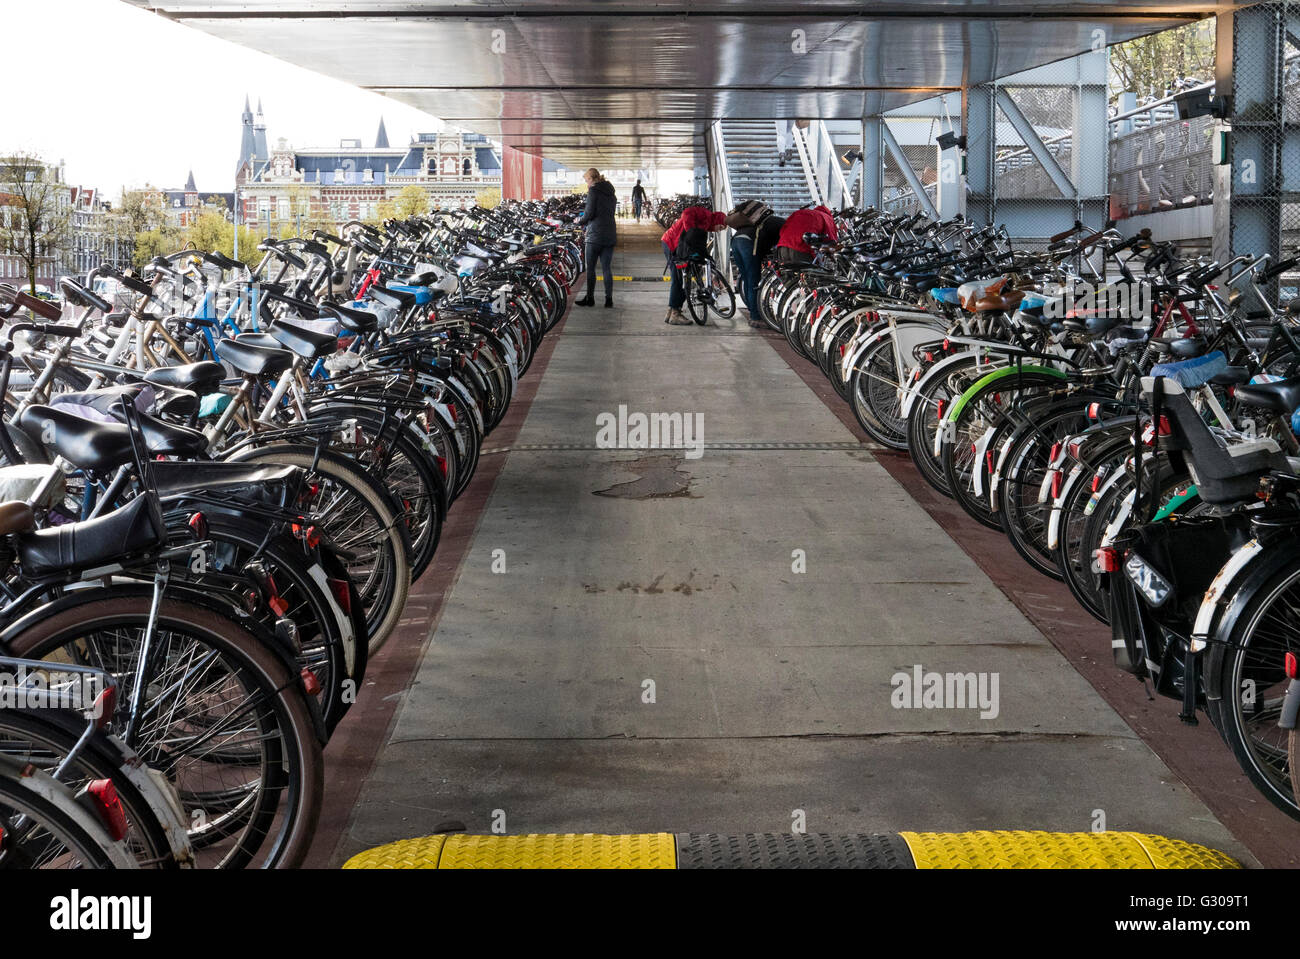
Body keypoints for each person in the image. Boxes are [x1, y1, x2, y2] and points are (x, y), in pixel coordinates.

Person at [660, 203, 726, 325]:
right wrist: (689, 229)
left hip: (678, 246)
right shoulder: (706, 216)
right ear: (718, 220)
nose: (719, 230)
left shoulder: (706, 226)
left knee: (682, 278)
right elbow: (687, 212)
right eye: (720, 227)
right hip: (673, 244)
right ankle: (675, 313)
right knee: (680, 279)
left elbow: (697, 243)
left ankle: (671, 311)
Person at [574, 168, 618, 308]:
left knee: (591, 269)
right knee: (606, 268)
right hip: (610, 233)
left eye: (587, 180)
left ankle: (590, 298)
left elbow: (589, 213)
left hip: (595, 236)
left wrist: (579, 221)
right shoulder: (611, 192)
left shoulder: (593, 191)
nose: (586, 183)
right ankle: (608, 299)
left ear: (592, 179)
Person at [725, 199, 772, 329]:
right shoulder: (767, 224)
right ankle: (755, 317)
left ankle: (752, 310)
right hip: (747, 243)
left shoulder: (747, 224)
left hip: (736, 241)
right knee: (753, 280)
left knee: (746, 278)